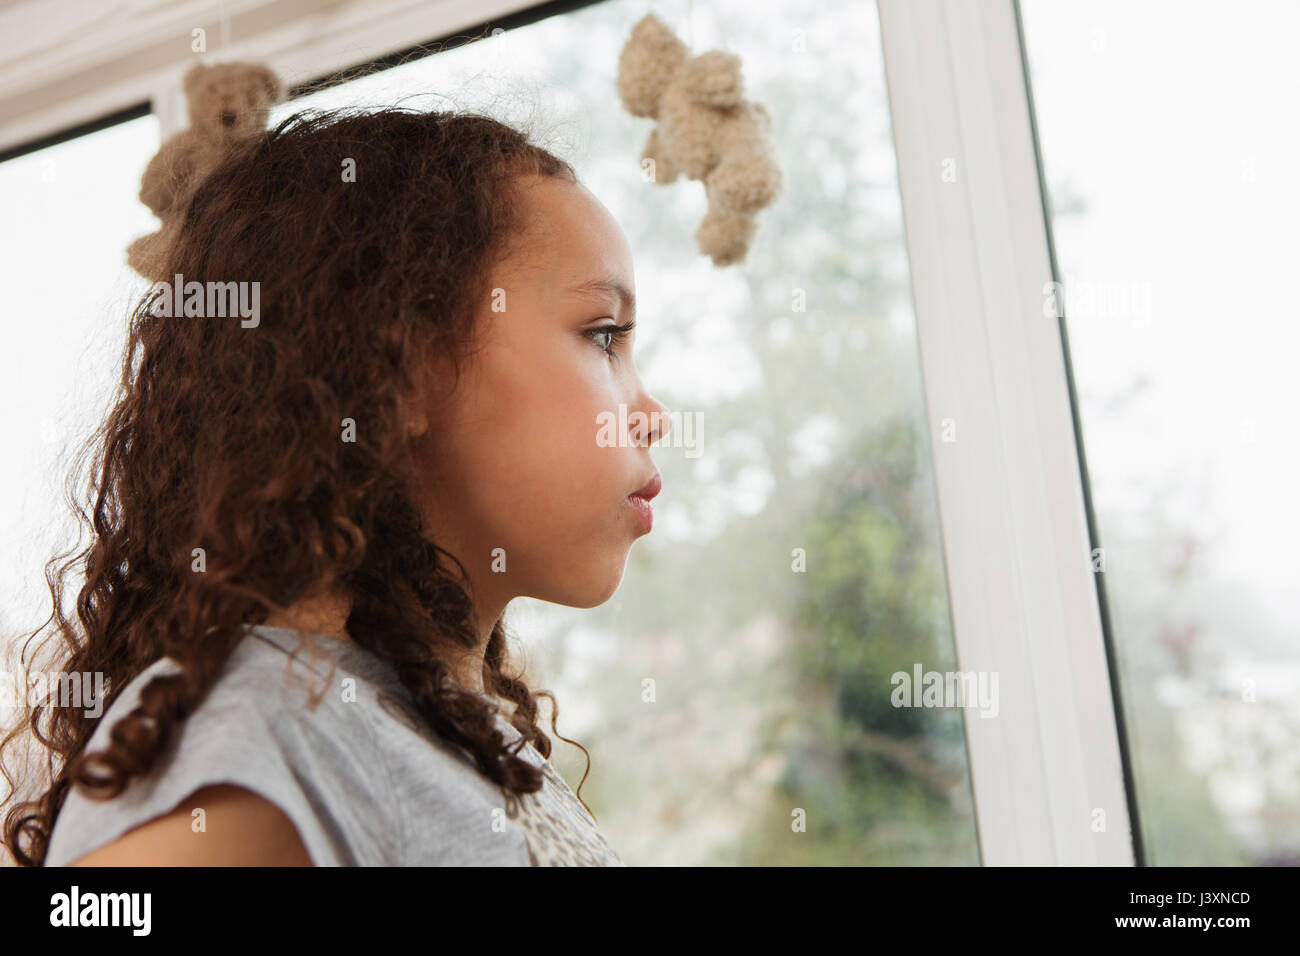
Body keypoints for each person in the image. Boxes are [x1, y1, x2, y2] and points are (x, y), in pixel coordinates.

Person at [0, 104, 670, 866]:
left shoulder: (455, 726)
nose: (652, 415)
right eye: (603, 335)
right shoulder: (265, 738)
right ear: (402, 369)